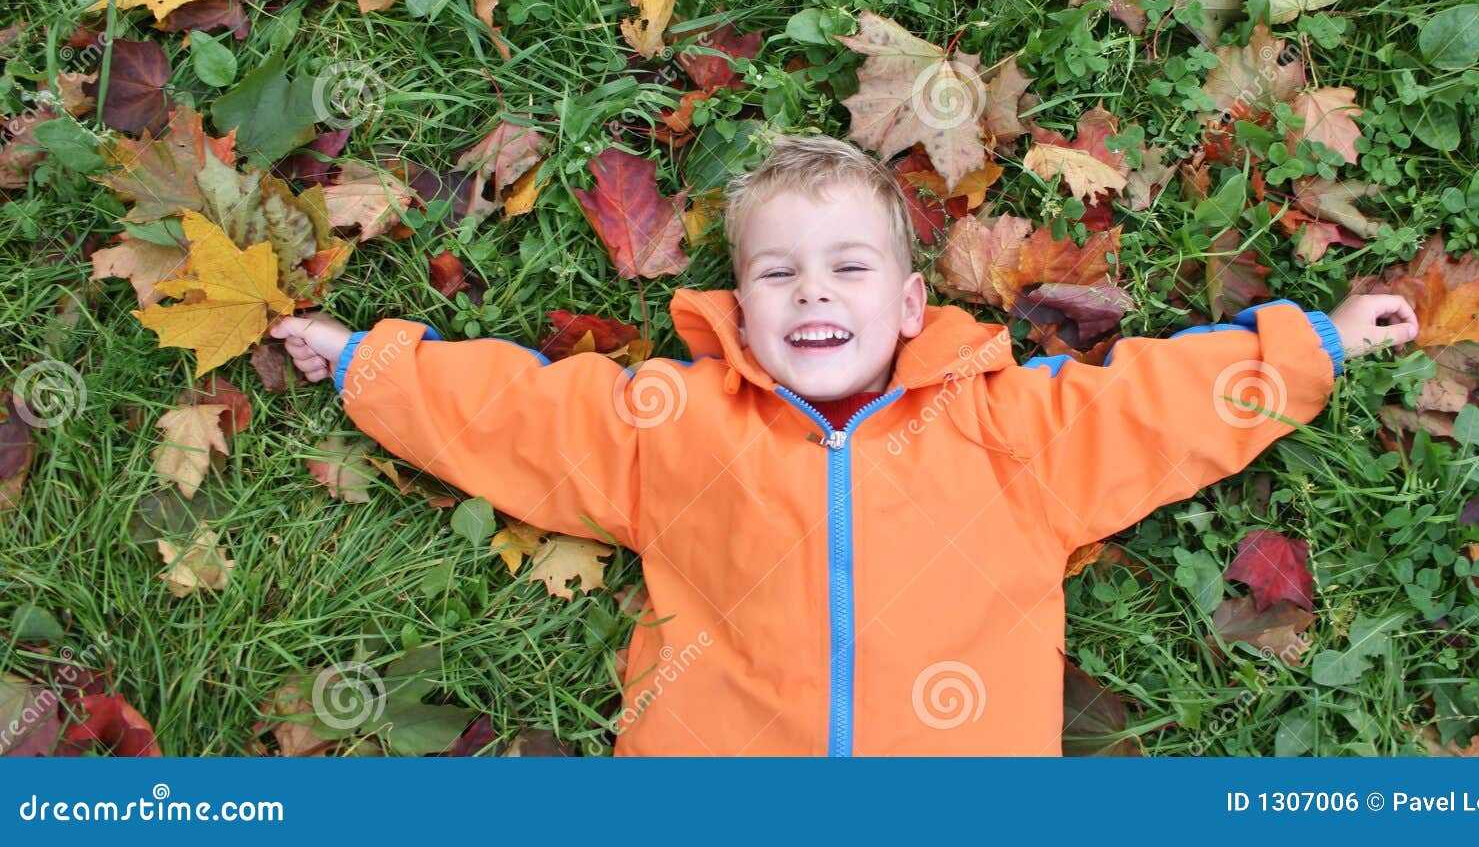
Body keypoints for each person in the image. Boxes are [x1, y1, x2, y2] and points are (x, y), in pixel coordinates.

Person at [268, 134, 1419, 755]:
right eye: (778, 272)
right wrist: (372, 363)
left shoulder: (1007, 425)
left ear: (912, 305)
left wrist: (1313, 343)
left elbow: (1156, 406)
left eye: (848, 267)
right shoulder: (676, 425)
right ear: (742, 307)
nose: (812, 291)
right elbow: (521, 417)